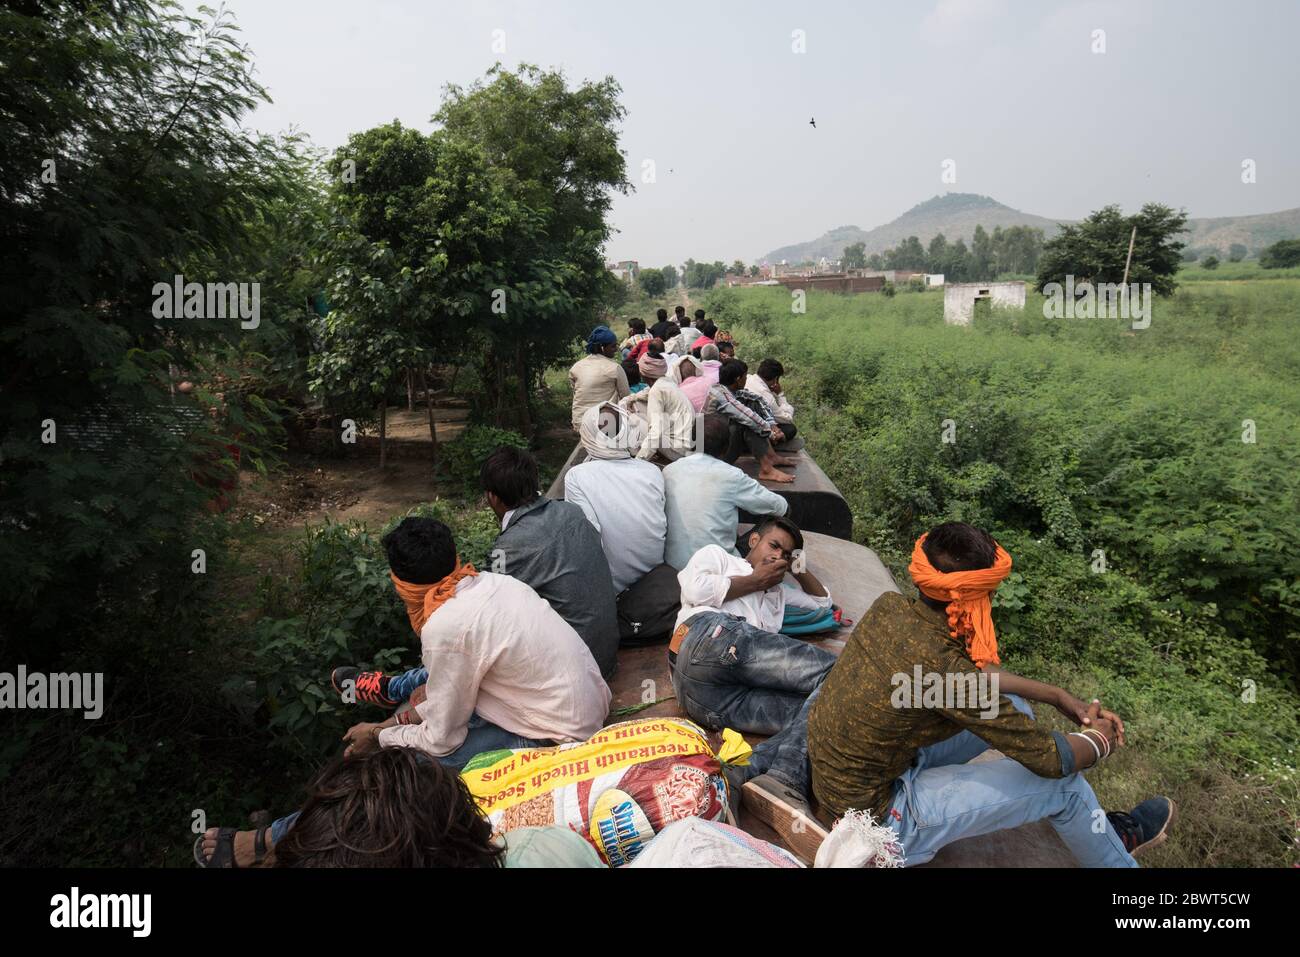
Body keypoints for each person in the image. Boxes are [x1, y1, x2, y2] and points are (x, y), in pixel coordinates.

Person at [808, 522, 1176, 867]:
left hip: (845, 780)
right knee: (1064, 786)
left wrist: (1058, 695)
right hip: (880, 819)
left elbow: (964, 674)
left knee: (1016, 706)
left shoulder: (890, 607)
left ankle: (1081, 828)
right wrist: (1101, 739)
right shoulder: (949, 675)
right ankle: (1113, 852)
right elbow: (1052, 759)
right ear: (974, 597)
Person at [668, 516, 837, 861]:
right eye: (774, 546)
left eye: (787, 555)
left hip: (707, 700)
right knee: (840, 673)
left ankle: (741, 774)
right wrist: (753, 580)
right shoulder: (719, 557)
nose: (779, 557)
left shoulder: (778, 594)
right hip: (705, 637)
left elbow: (823, 603)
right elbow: (694, 590)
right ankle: (785, 779)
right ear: (753, 540)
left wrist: (796, 567)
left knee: (825, 710)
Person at [196, 745, 605, 868]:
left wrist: (380, 730)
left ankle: (266, 841)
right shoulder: (543, 848)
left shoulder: (446, 627)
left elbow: (443, 731)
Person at [662, 413, 789, 569]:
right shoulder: (732, 475)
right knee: (780, 514)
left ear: (692, 440)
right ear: (726, 446)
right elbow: (781, 507)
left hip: (672, 564)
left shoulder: (669, 471)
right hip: (719, 567)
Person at [565, 402, 665, 593]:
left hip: (614, 588)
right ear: (626, 430)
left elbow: (589, 539)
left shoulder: (576, 477)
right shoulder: (652, 472)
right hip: (656, 578)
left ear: (588, 433)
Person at [706, 358, 796, 484]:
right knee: (747, 421)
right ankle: (766, 469)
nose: (746, 379)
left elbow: (757, 399)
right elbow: (746, 416)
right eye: (744, 377)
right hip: (712, 457)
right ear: (738, 379)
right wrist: (770, 433)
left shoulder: (728, 390)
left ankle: (771, 456)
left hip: (719, 445)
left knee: (752, 405)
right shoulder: (721, 395)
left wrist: (772, 425)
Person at [570, 325, 629, 430]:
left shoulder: (576, 367)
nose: (616, 349)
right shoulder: (614, 368)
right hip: (604, 424)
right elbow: (626, 396)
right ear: (602, 348)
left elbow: (576, 393)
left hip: (580, 422)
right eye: (613, 346)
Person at [635, 368, 697, 463]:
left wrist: (639, 461)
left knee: (634, 420)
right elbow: (643, 394)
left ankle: (644, 455)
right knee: (638, 405)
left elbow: (656, 431)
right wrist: (630, 399)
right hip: (688, 444)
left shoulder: (656, 390)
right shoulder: (668, 382)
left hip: (678, 450)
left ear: (644, 375)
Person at [746, 358, 797, 435]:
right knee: (790, 429)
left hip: (746, 419)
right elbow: (787, 419)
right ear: (776, 379)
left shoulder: (748, 377)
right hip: (756, 428)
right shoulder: (766, 397)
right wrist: (780, 395)